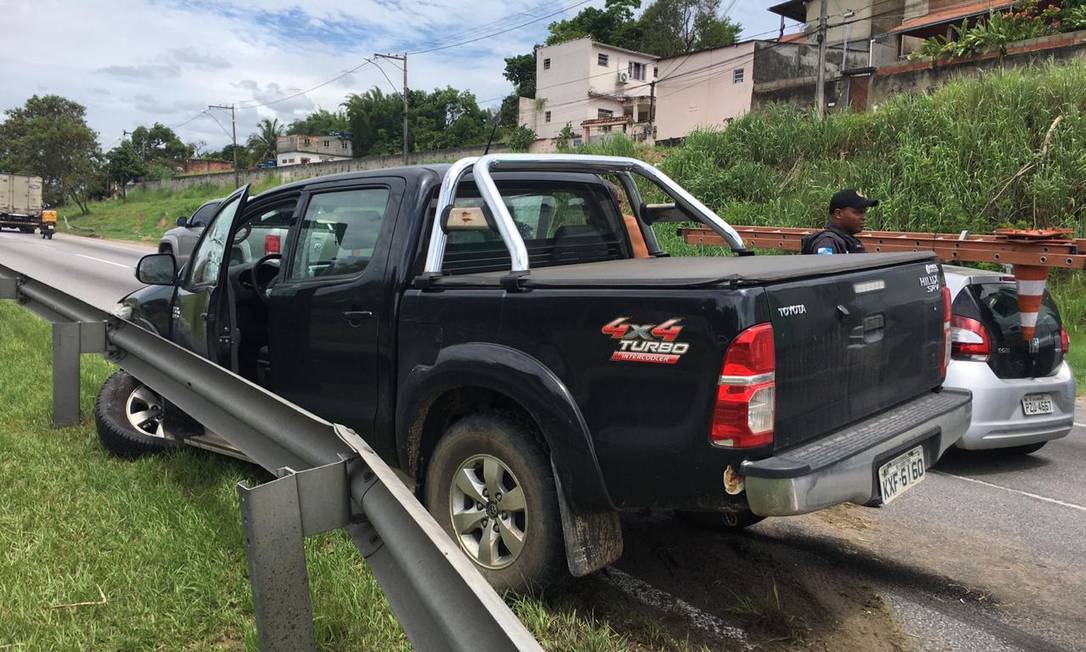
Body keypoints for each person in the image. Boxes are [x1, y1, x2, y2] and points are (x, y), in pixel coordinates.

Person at [800, 189, 879, 255]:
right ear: (838, 214)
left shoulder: (849, 241)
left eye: (864, 212)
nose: (863, 217)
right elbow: (826, 268)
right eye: (858, 212)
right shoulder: (827, 242)